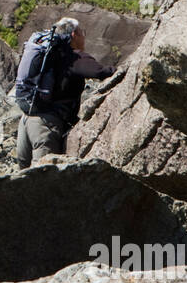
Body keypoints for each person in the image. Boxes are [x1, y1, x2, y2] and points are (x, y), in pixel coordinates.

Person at [14, 17, 115, 169]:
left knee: (21, 175)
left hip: (26, 118)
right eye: (83, 33)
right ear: (74, 35)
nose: (84, 37)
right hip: (45, 124)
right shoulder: (73, 57)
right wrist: (123, 70)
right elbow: (98, 72)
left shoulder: (49, 54)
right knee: (44, 175)